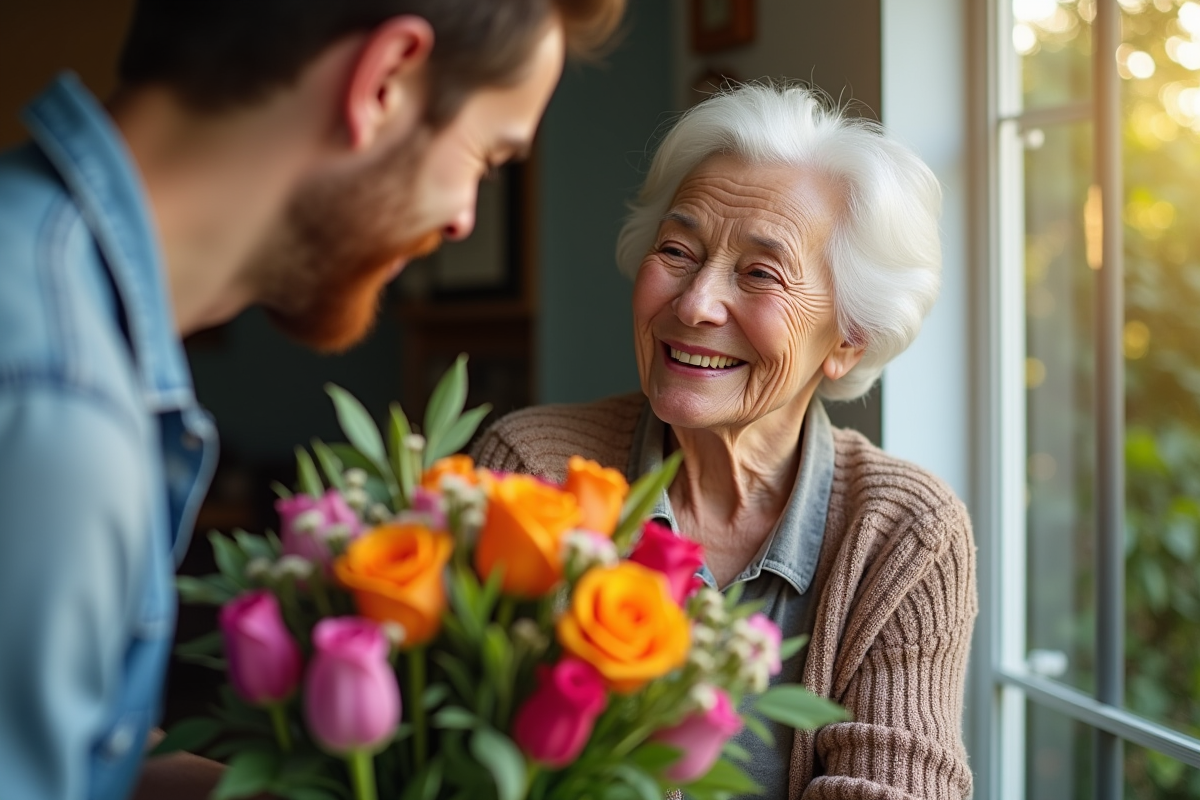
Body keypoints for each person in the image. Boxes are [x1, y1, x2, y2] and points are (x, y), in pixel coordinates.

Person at [0, 1, 624, 798]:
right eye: (486, 157)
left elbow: (77, 746)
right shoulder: (59, 402)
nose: (464, 220)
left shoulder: (44, 277)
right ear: (385, 81)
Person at [472, 82, 976, 800]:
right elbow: (465, 759)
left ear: (848, 339)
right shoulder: (535, 473)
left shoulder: (905, 533)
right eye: (677, 251)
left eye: (760, 273)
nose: (695, 302)